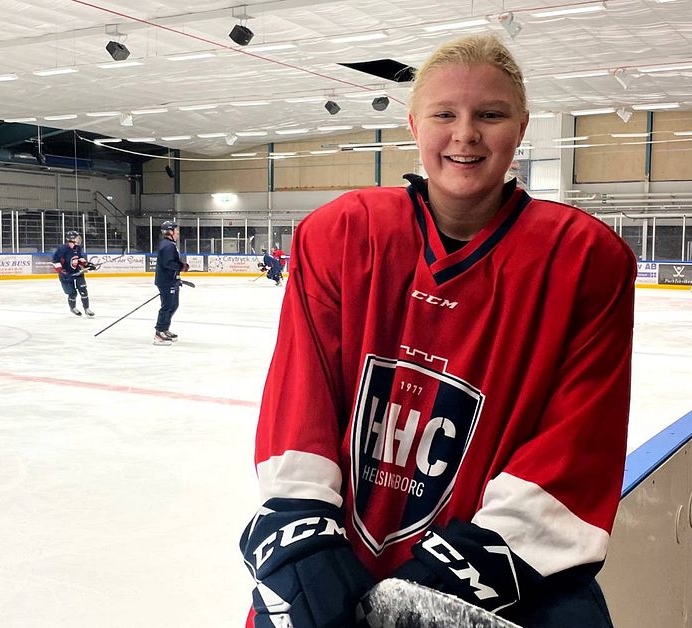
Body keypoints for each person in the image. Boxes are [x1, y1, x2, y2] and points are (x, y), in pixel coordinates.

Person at [238, 34, 635, 628]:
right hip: (341, 553)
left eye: (490, 115)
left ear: (521, 127)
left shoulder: (585, 259)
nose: (465, 134)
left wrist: (445, 582)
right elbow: (302, 395)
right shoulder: (340, 233)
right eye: (444, 114)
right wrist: (301, 537)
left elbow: (576, 443)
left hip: (505, 572)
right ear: (413, 123)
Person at [153, 220, 187, 346]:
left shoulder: (169, 244)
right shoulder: (168, 245)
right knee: (167, 306)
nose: (178, 233)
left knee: (173, 305)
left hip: (171, 280)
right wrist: (181, 266)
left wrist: (177, 277)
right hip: (166, 281)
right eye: (176, 230)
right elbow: (168, 263)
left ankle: (164, 329)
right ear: (170, 232)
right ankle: (159, 332)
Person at [51, 229, 94, 317]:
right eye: (77, 238)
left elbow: (79, 258)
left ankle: (87, 309)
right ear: (71, 239)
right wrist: (63, 272)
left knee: (83, 290)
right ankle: (73, 308)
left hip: (77, 272)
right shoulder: (62, 249)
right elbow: (55, 261)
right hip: (66, 275)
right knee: (72, 293)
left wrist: (86, 264)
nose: (79, 239)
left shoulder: (78, 248)